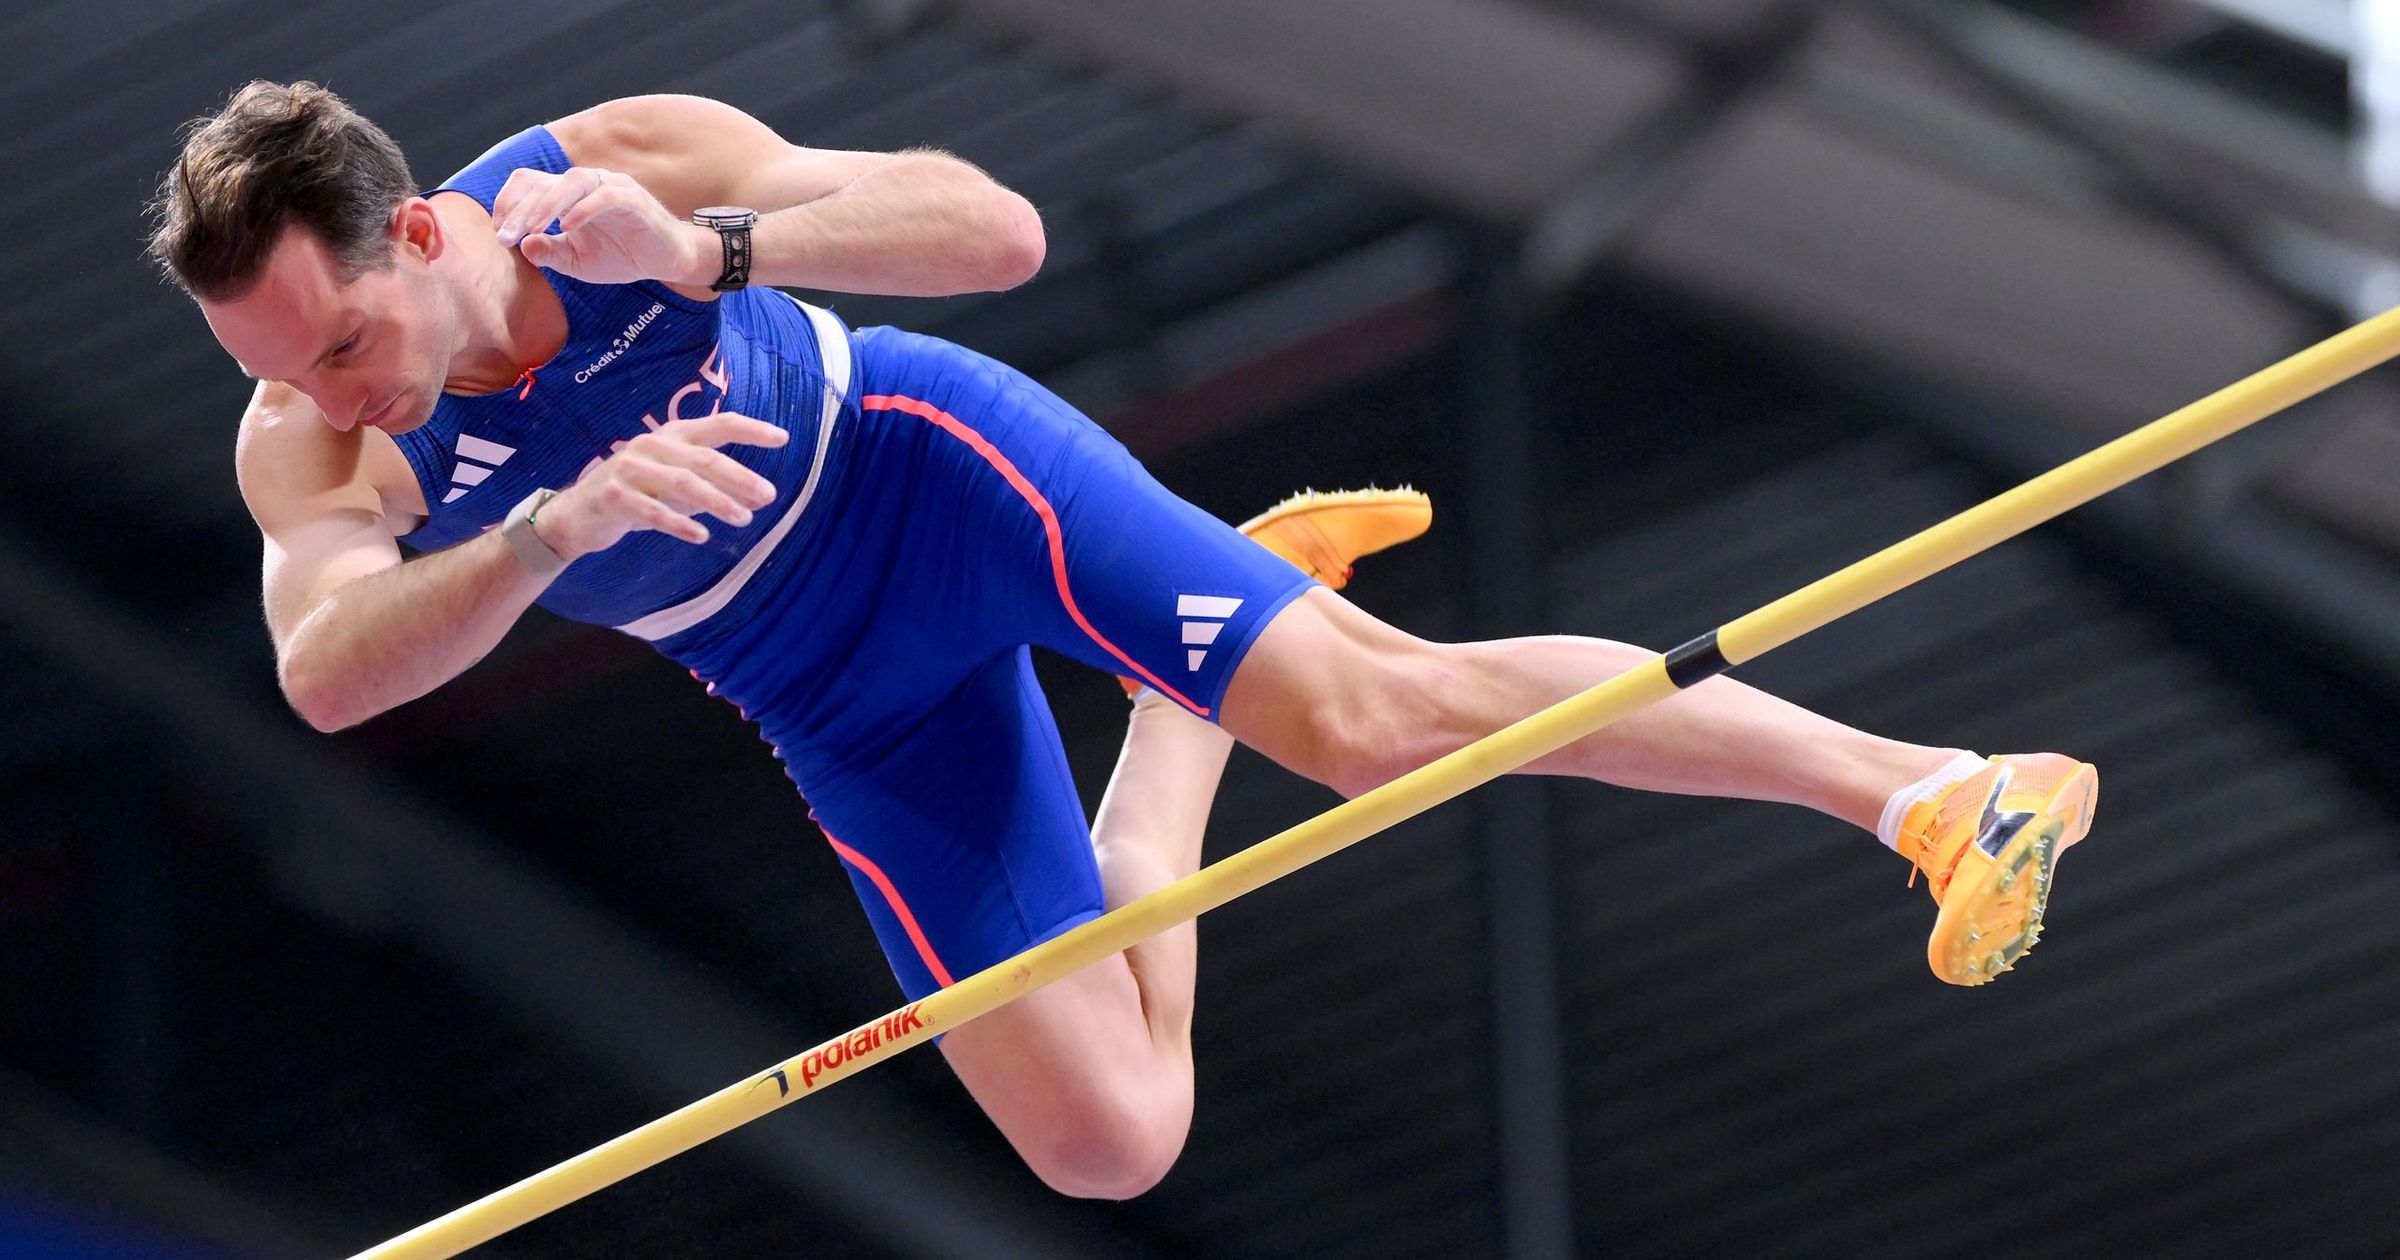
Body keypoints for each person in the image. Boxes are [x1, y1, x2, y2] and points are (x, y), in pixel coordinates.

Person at [148, 82, 2099, 1199]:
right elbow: (331, 674)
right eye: (275, 369)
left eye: (340, 341)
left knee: (1374, 718)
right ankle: (1181, 729)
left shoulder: (617, 177)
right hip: (829, 693)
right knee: (1109, 1141)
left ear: (416, 239)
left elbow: (991, 234)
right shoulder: (314, 437)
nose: (337, 397)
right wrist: (541, 537)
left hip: (933, 472)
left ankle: (1928, 791)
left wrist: (717, 257)